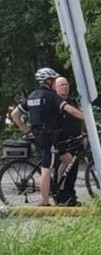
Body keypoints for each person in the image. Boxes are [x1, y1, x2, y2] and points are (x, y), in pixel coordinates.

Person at [11, 67, 85, 206]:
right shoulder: (51, 96)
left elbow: (15, 115)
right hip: (49, 136)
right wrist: (86, 118)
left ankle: (58, 188)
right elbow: (68, 108)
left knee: (68, 160)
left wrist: (26, 131)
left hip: (39, 134)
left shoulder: (32, 96)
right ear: (48, 81)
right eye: (54, 80)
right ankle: (44, 201)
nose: (55, 82)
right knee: (47, 168)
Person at [53, 76, 83, 206]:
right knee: (63, 167)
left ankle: (70, 195)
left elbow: (78, 115)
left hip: (74, 141)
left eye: (66, 84)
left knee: (73, 170)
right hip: (61, 141)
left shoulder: (72, 102)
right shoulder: (55, 101)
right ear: (55, 87)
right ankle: (60, 195)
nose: (65, 87)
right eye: (62, 85)